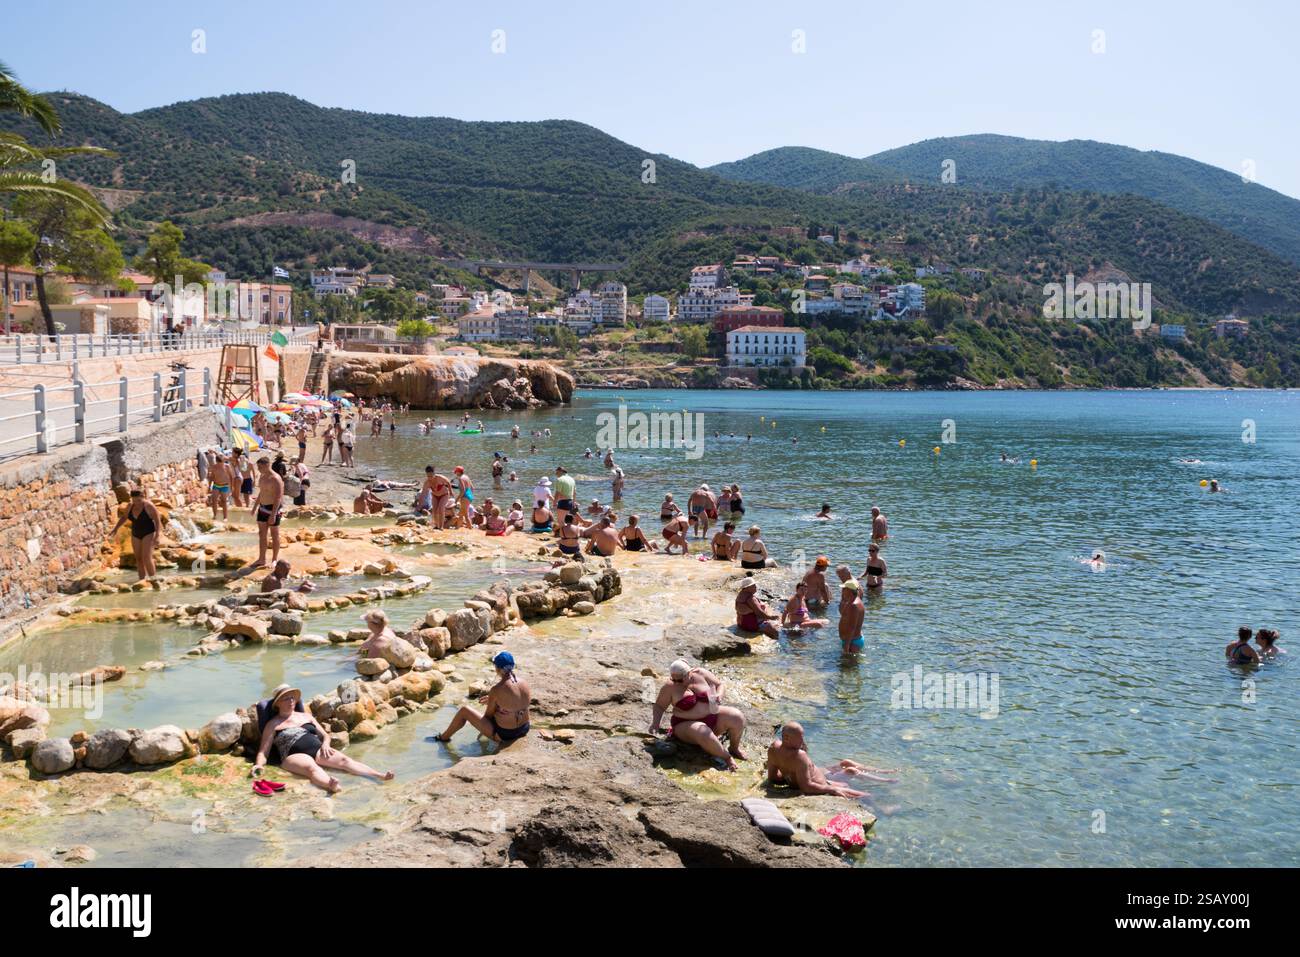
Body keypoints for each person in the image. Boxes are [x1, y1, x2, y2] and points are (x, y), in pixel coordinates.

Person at [253, 684, 393, 793]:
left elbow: (324, 735)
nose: (291, 701)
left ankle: (379, 775)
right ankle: (330, 785)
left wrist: (326, 744)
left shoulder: (306, 716)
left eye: (292, 697)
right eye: (286, 698)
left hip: (318, 749)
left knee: (345, 761)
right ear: (277, 703)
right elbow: (263, 751)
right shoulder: (273, 724)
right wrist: (259, 765)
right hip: (293, 755)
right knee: (311, 768)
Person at [650, 659, 747, 772]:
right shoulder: (670, 687)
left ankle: (734, 748)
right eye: (673, 679)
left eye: (680, 679)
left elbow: (719, 685)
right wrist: (655, 723)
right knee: (703, 732)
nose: (677, 682)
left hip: (712, 717)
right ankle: (726, 757)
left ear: (690, 673)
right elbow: (659, 706)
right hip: (685, 726)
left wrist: (719, 695)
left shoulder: (701, 673)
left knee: (737, 717)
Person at [765, 722, 896, 798]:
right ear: (787, 738)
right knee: (852, 774)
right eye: (800, 737)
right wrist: (831, 789)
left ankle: (883, 772)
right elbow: (807, 787)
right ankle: (883, 794)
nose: (803, 741)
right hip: (823, 783)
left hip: (823, 775)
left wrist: (790, 775)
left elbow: (772, 777)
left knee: (846, 763)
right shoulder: (799, 756)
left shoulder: (773, 748)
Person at [434, 651, 531, 745]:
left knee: (464, 711)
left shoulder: (496, 690)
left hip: (506, 735)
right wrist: (497, 703)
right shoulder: (524, 683)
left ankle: (443, 738)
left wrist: (492, 703)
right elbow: (516, 701)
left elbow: (487, 716)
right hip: (524, 729)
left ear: (497, 668)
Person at [109, 488, 160, 580]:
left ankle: (154, 580)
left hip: (148, 532)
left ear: (143, 497)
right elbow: (124, 517)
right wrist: (116, 528)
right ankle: (142, 580)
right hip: (136, 533)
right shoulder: (130, 506)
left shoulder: (149, 506)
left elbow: (157, 520)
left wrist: (157, 536)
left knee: (147, 557)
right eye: (134, 500)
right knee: (138, 559)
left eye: (139, 500)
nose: (137, 503)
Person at [251, 456, 284, 568]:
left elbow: (278, 497)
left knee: (274, 534)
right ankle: (261, 559)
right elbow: (261, 493)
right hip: (262, 508)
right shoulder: (262, 477)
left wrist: (273, 515)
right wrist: (254, 507)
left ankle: (274, 559)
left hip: (273, 509)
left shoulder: (276, 478)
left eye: (260, 467)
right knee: (262, 534)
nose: (258, 469)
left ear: (267, 465)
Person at [836, 565, 865, 653]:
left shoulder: (854, 605)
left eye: (844, 589)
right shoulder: (854, 600)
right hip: (852, 639)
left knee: (848, 665)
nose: (843, 591)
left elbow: (852, 627)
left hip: (852, 642)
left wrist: (846, 645)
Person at [208, 453, 232, 520]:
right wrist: (209, 486)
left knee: (224, 501)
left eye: (221, 462)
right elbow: (211, 477)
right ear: (217, 461)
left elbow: (231, 477)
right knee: (214, 500)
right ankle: (215, 515)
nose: (220, 464)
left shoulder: (227, 467)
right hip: (216, 485)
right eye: (219, 462)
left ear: (223, 461)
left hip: (224, 485)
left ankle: (225, 517)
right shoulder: (214, 467)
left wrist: (231, 487)